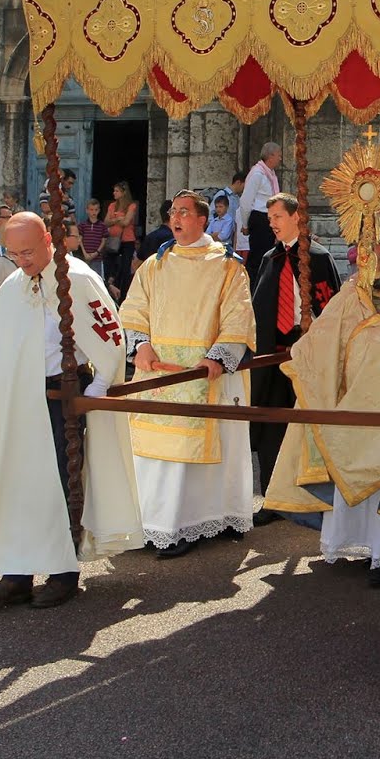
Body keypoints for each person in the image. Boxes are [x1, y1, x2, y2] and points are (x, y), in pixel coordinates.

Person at [0, 210, 143, 607]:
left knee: (60, 484)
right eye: (13, 254)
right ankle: (17, 572)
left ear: (49, 241)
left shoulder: (76, 279)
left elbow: (109, 336)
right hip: (18, 399)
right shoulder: (14, 284)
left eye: (28, 252)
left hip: (60, 397)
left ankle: (63, 572)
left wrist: (96, 391)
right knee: (17, 483)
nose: (21, 261)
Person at [264, 207, 380, 585]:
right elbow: (325, 333)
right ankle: (359, 542)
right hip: (356, 401)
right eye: (376, 241)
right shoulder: (356, 287)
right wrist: (307, 355)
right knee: (347, 446)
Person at [121, 190, 257, 558]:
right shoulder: (155, 264)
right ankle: (150, 522)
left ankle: (192, 522)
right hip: (157, 373)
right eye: (172, 213)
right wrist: (141, 345)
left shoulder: (227, 266)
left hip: (204, 375)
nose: (176, 219)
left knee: (192, 453)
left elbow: (238, 316)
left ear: (202, 219)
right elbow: (133, 310)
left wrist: (218, 356)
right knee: (152, 448)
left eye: (184, 212)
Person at [248, 192, 340, 521]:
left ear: (295, 217)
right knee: (272, 427)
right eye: (269, 218)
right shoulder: (269, 259)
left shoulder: (318, 258)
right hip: (273, 357)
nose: (272, 223)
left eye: (277, 216)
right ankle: (273, 498)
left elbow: (331, 307)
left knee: (309, 427)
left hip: (306, 355)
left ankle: (315, 497)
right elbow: (259, 307)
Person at [239, 141, 283, 274]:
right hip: (260, 218)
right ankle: (252, 285)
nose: (280, 159)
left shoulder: (270, 174)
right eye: (279, 155)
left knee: (268, 257)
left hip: (268, 218)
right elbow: (246, 201)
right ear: (271, 156)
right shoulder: (257, 174)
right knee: (257, 258)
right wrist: (245, 224)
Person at [104, 182, 140, 294]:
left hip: (127, 240)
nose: (114, 193)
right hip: (114, 240)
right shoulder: (112, 206)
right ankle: (110, 290)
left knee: (125, 268)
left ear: (123, 193)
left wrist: (114, 220)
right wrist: (117, 219)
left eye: (117, 191)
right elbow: (106, 222)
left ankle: (123, 293)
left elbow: (126, 222)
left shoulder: (131, 206)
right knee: (111, 267)